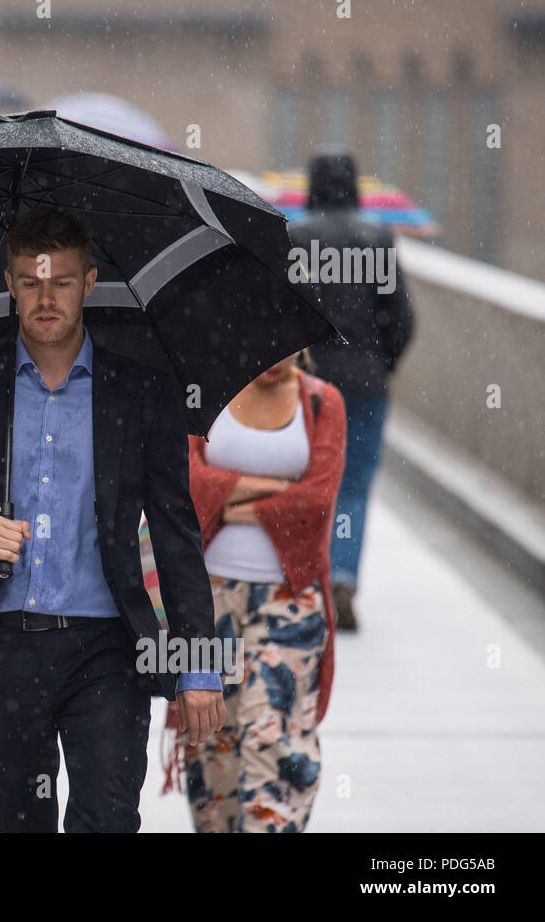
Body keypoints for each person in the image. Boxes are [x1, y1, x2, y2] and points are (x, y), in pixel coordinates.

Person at [0, 205, 224, 833]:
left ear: (89, 283)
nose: (46, 298)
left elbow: (178, 533)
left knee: (108, 819)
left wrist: (198, 663)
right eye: (31, 282)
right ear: (10, 284)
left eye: (61, 282)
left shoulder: (141, 393)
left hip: (108, 650)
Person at [170, 349, 346, 832]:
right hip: (208, 600)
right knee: (213, 746)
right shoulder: (203, 395)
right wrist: (273, 489)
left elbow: (317, 501)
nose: (278, 355)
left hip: (290, 600)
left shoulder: (321, 403)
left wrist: (224, 501)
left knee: (277, 741)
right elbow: (184, 481)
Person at [289, 146, 415, 631]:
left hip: (307, 383)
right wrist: (382, 363)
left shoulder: (295, 237)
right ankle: (342, 577)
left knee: (307, 481)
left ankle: (308, 581)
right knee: (355, 485)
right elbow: (401, 317)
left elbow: (280, 314)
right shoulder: (376, 238)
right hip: (364, 384)